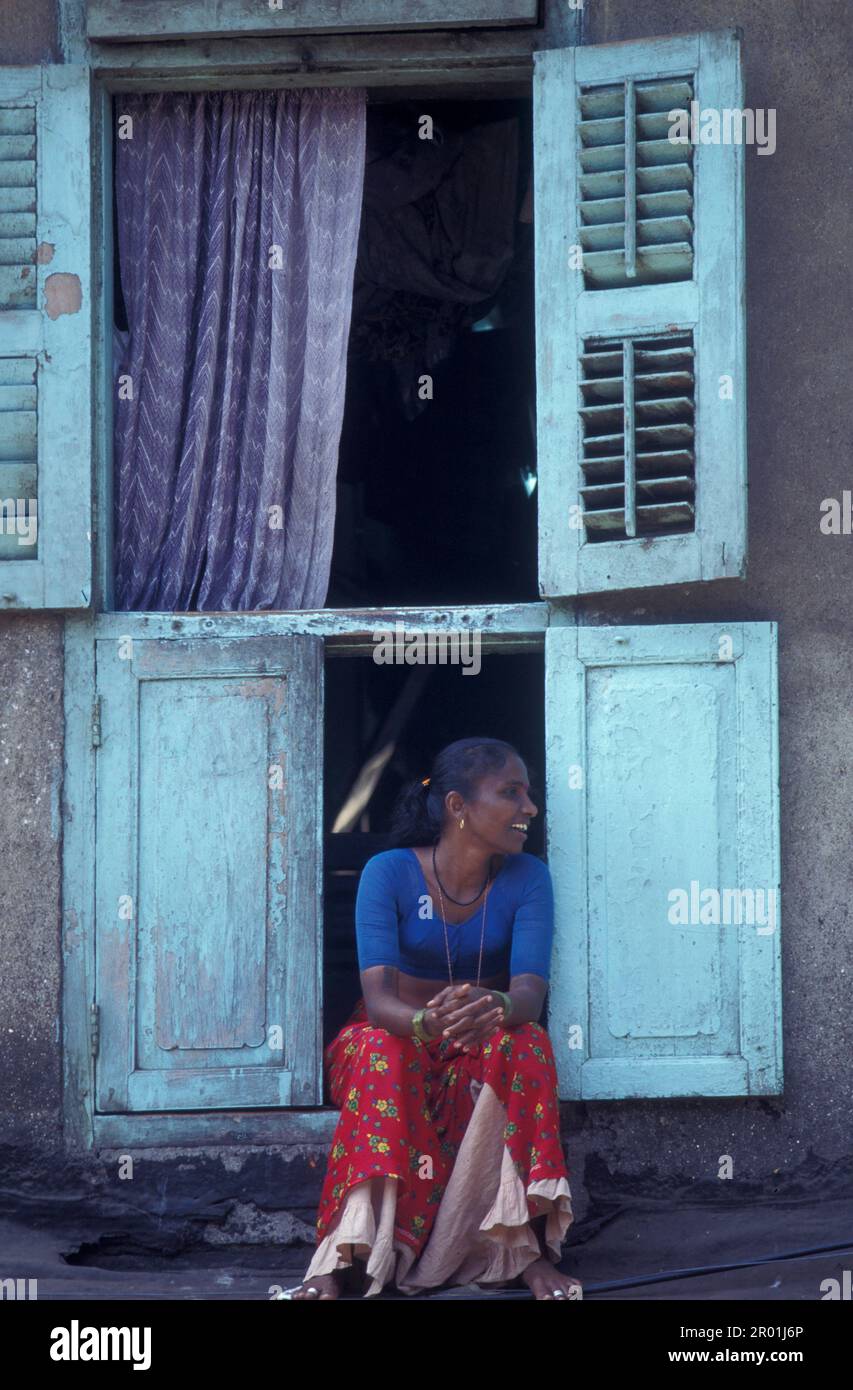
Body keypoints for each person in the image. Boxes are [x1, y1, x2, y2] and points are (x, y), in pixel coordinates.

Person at [282, 737, 580, 1300]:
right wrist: (425, 1023)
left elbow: (528, 996)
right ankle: (340, 1256)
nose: (530, 808)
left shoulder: (528, 877)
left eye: (529, 794)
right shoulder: (388, 873)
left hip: (483, 1036)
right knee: (379, 1048)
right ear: (457, 806)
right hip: (399, 1031)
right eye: (511, 793)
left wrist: (495, 1009)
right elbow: (378, 1001)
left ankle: (524, 1250)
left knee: (529, 1044)